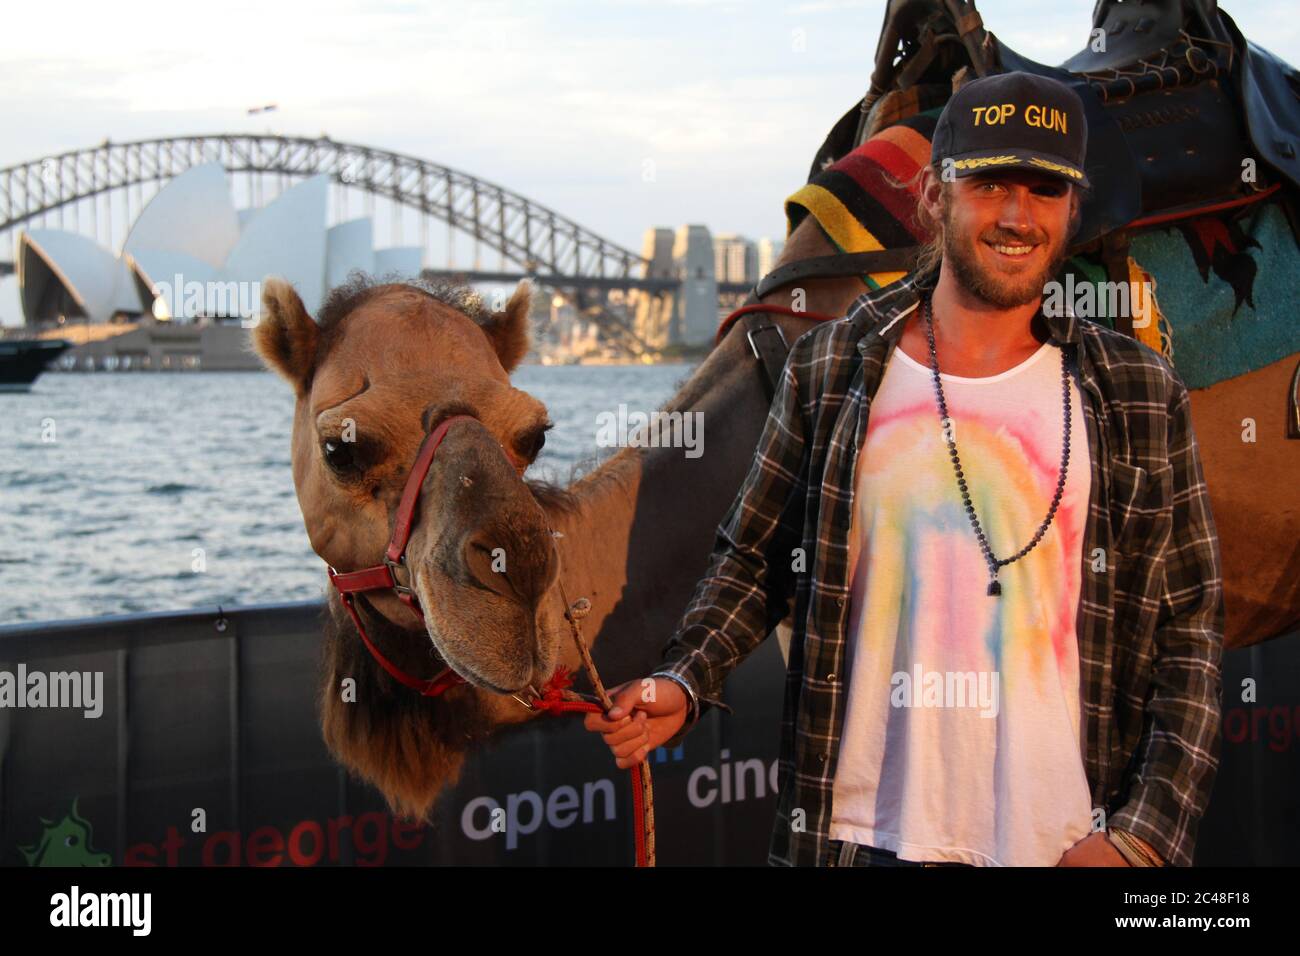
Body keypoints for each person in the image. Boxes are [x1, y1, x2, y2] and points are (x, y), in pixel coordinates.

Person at [583, 72, 1224, 867]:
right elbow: (753, 560)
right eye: (989, 183)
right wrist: (683, 679)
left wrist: (1143, 840)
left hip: (1058, 844)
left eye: (1046, 188)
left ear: (1072, 207)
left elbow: (1188, 627)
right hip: (854, 841)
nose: (1019, 215)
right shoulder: (831, 367)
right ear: (934, 197)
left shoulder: (1136, 391)